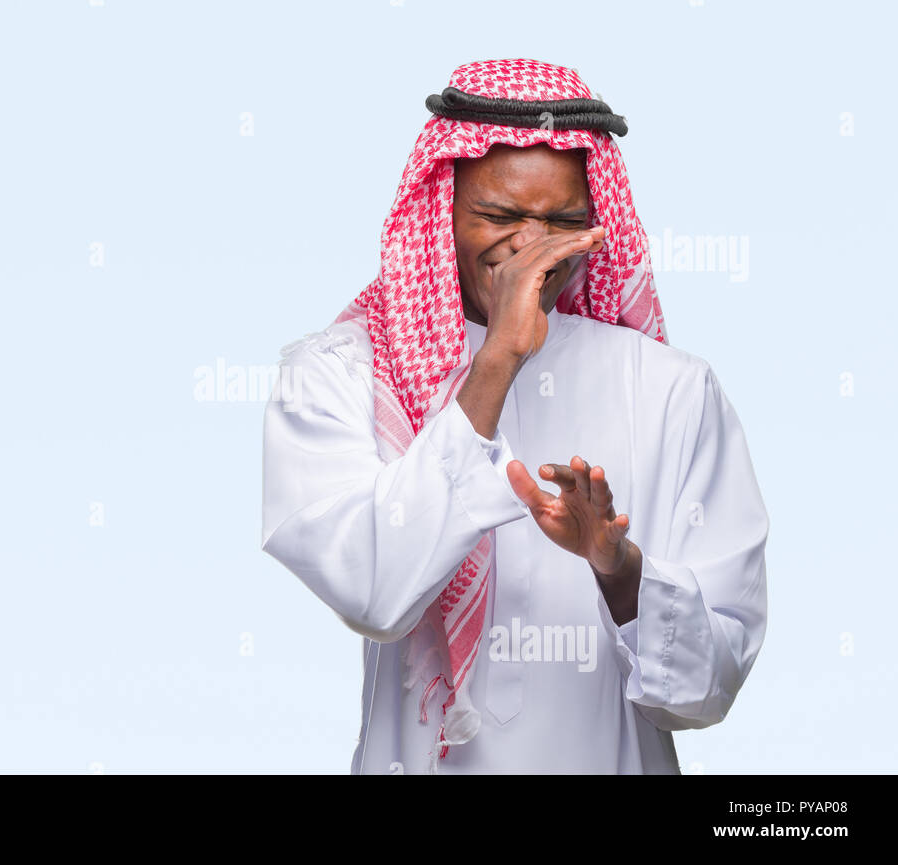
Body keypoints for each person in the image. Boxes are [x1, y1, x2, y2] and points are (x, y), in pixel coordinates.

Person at [259, 59, 769, 774]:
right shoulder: (340, 374)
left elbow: (706, 690)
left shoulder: (672, 389)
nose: (533, 248)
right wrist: (495, 361)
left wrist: (622, 573)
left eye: (562, 222)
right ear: (442, 210)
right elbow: (373, 592)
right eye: (500, 217)